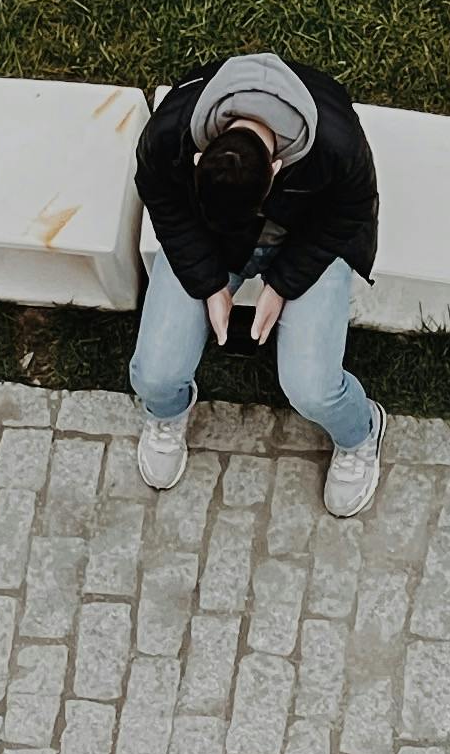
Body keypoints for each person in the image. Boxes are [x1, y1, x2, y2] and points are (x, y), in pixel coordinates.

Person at [132, 50, 385, 515]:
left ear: (276, 170)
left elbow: (350, 214)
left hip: (308, 238)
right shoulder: (170, 135)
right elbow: (164, 202)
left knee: (311, 387)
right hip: (212, 239)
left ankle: (361, 431)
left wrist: (284, 283)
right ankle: (168, 413)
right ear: (199, 160)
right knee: (155, 374)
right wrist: (209, 282)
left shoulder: (337, 144)